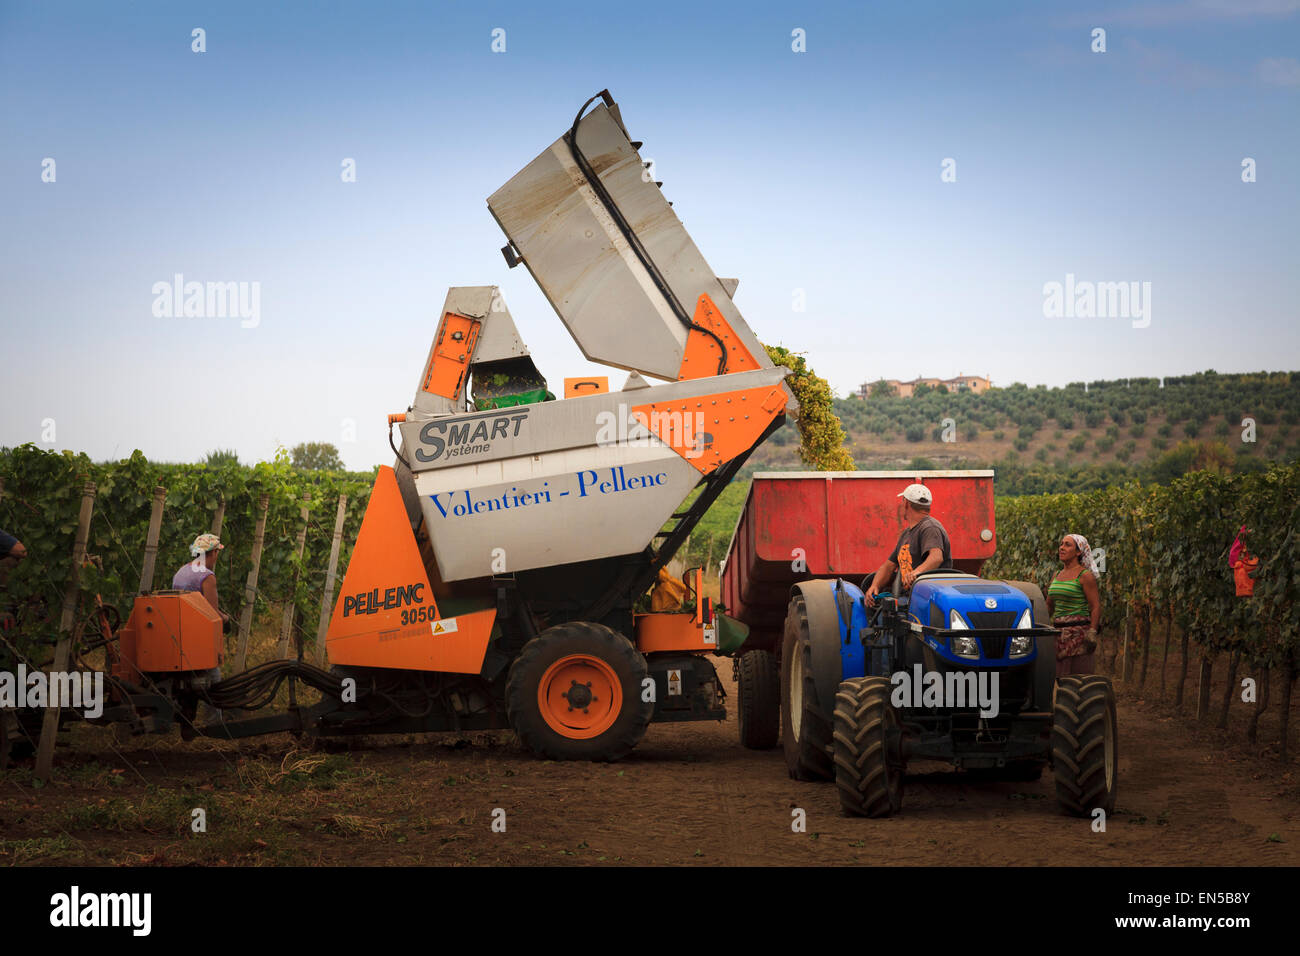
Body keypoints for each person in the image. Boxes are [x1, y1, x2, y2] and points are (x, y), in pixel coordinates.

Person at [865, 483, 952, 604]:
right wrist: (875, 586)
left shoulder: (930, 527)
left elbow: (936, 557)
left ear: (906, 503)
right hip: (910, 597)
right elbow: (888, 566)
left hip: (927, 598)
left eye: (902, 501)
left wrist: (916, 572)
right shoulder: (907, 534)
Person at [1046, 533, 1101, 676]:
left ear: (1078, 552)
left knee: (1079, 679)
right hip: (1058, 635)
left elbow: (1095, 606)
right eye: (1061, 544)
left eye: (1067, 545)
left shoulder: (1084, 576)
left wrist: (1092, 632)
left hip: (1078, 636)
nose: (1061, 548)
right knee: (1060, 678)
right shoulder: (1056, 575)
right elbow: (1049, 607)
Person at [173, 533, 231, 626]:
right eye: (217, 552)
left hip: (180, 623)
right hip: (196, 626)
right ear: (213, 552)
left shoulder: (182, 570)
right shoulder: (207, 576)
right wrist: (225, 619)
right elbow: (212, 612)